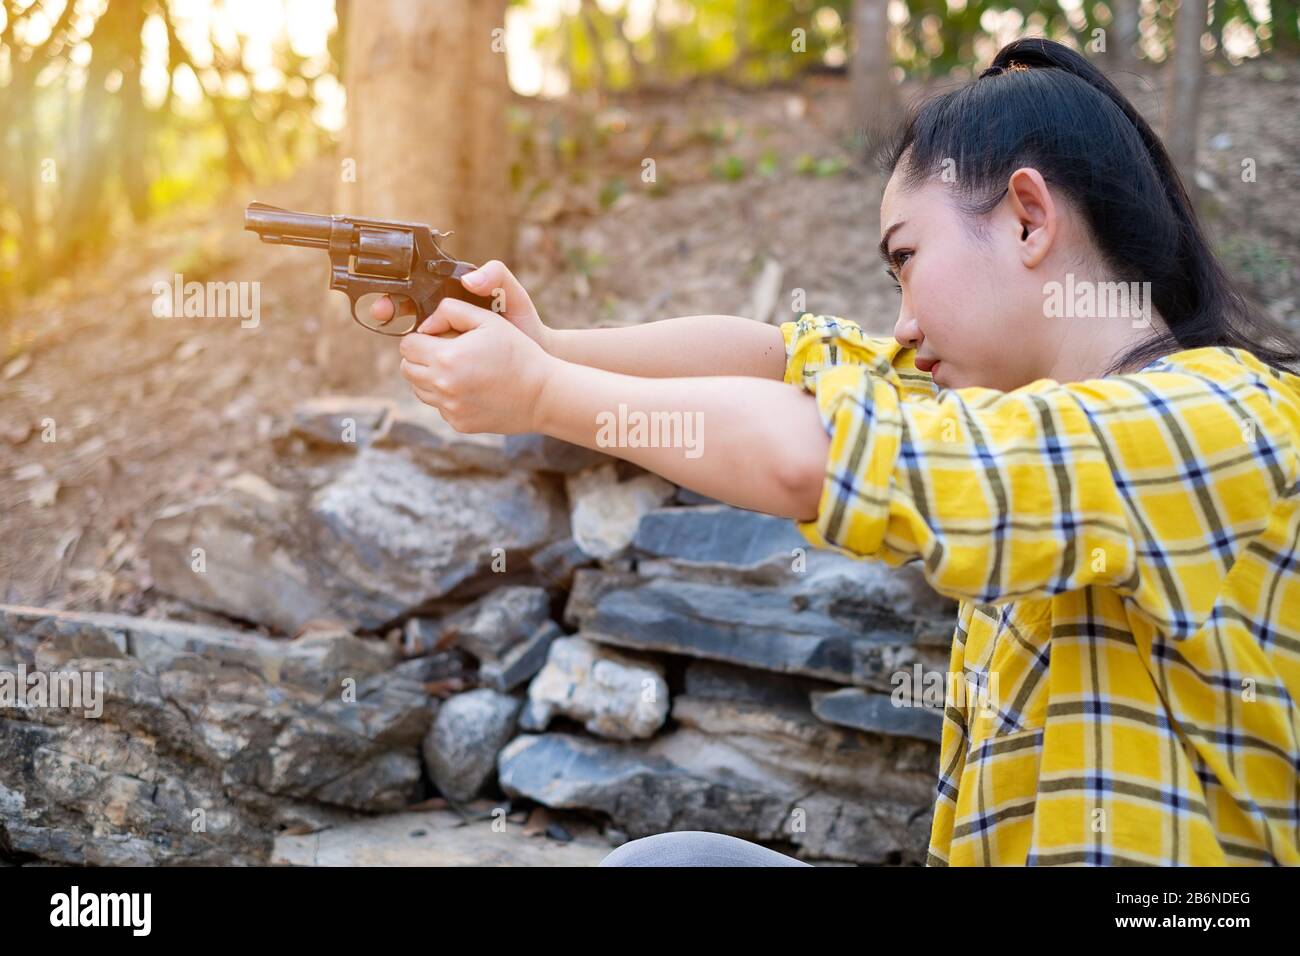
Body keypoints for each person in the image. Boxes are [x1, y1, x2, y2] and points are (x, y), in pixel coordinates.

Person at [379, 37, 1300, 866]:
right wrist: (553, 348)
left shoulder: (1207, 419)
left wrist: (540, 397)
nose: (900, 322)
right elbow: (783, 364)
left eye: (907, 258)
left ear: (1027, 218)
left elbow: (805, 454)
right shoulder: (1020, 413)